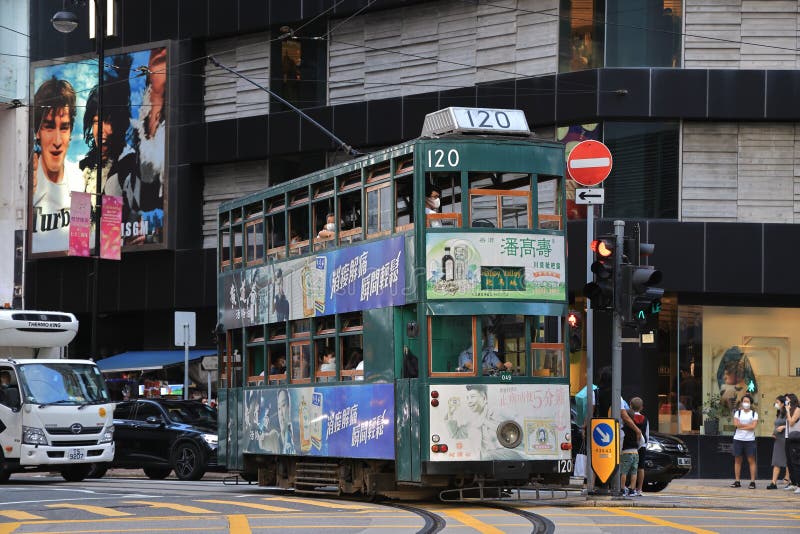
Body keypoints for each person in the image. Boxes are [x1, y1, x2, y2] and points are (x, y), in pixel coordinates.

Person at [31, 77, 85, 254]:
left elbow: (80, 246)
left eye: (63, 128)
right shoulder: (27, 178)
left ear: (70, 132)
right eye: (49, 127)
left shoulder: (79, 180)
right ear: (38, 132)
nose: (57, 141)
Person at [730, 394, 758, 488]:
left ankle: (752, 482)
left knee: (751, 460)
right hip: (738, 439)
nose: (745, 403)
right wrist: (748, 426)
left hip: (750, 440)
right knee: (737, 460)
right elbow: (736, 424)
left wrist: (742, 426)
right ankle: (737, 481)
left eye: (747, 401)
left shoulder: (754, 414)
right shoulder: (737, 413)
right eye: (744, 401)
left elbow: (753, 426)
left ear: (750, 403)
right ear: (742, 402)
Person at [767, 396, 789, 489]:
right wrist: (774, 432)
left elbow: (792, 423)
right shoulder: (779, 413)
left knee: (789, 461)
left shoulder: (788, 412)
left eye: (777, 402)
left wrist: (784, 427)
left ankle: (791, 481)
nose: (775, 404)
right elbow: (776, 424)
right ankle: (773, 482)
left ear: (783, 403)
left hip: (786, 438)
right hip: (778, 439)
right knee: (776, 461)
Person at [619, 406, 640, 497]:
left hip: (626, 452)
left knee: (624, 471)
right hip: (635, 452)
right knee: (634, 472)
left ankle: (622, 489)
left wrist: (619, 452)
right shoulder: (636, 429)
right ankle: (632, 489)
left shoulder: (623, 430)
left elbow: (621, 441)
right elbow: (641, 440)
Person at [631, 397, 650, 497]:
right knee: (641, 467)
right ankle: (639, 489)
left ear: (630, 406)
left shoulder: (629, 417)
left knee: (630, 467)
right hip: (642, 446)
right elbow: (647, 434)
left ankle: (630, 488)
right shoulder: (645, 419)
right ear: (641, 407)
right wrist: (645, 444)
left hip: (631, 445)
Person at [784, 393, 800, 491]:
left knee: (796, 462)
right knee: (789, 461)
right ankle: (793, 483)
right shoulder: (789, 410)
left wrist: (787, 410)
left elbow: (791, 422)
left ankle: (799, 485)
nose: (786, 402)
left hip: (796, 438)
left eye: (787, 400)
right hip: (788, 437)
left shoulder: (797, 409)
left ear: (791, 400)